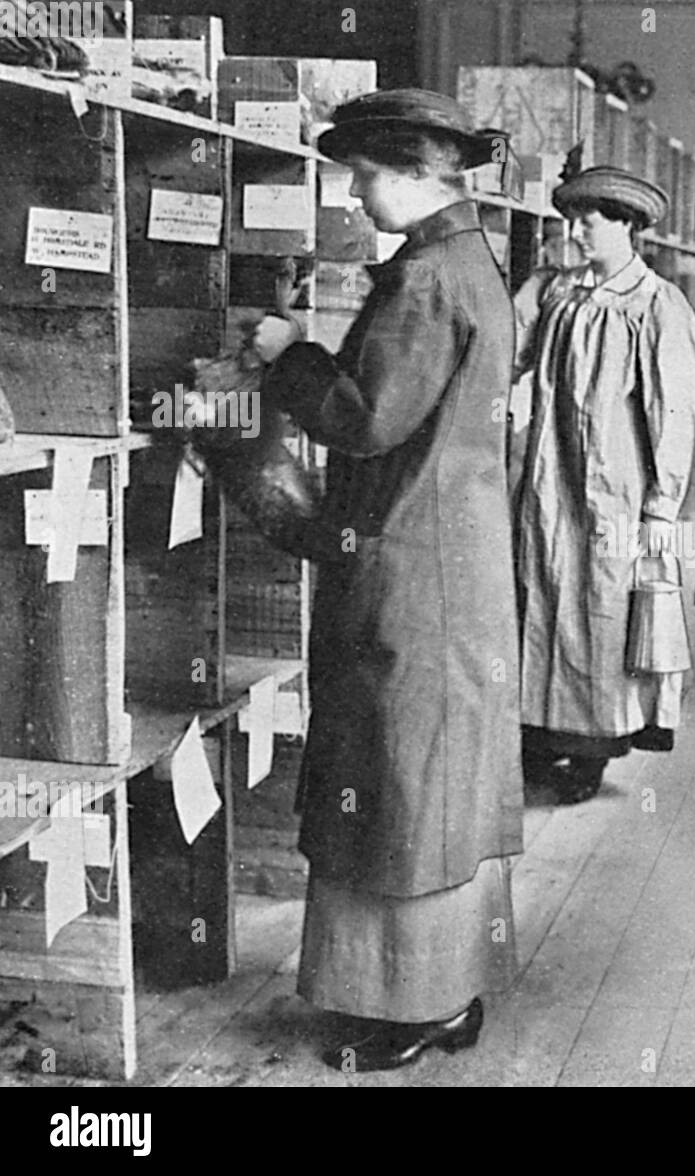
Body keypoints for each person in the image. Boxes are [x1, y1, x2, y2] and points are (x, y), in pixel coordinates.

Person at [252, 89, 524, 1070]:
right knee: (420, 790)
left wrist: (292, 357)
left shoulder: (423, 281)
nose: (357, 192)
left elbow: (365, 420)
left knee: (402, 791)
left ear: (413, 169)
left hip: (414, 573)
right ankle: (429, 997)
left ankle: (424, 1009)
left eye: (365, 173)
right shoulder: (470, 262)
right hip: (451, 563)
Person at [513, 166, 695, 805]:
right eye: (572, 219)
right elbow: (507, 347)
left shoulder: (655, 305)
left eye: (589, 222)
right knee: (542, 598)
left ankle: (594, 747)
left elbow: (674, 414)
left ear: (627, 225)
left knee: (602, 609)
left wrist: (660, 504)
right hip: (548, 477)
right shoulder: (560, 293)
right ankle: (541, 735)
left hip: (615, 485)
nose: (576, 232)